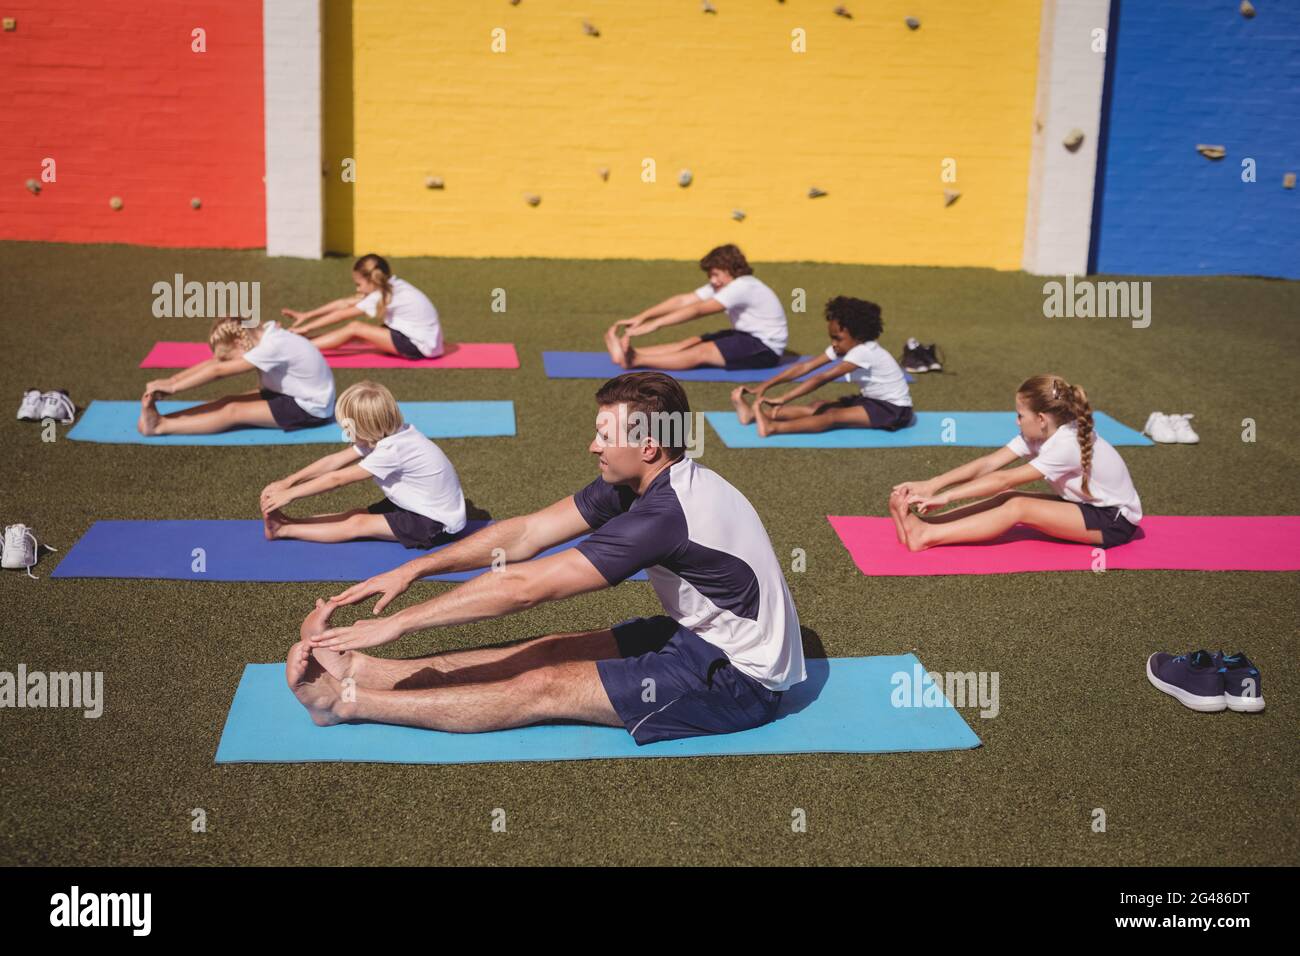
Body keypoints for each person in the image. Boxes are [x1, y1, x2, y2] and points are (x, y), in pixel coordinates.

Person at [287, 372, 806, 744]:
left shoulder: (665, 514)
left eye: (605, 436)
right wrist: (414, 567)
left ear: (648, 446)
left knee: (544, 686)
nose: (592, 445)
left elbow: (526, 586)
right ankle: (361, 668)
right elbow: (528, 533)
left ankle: (343, 702)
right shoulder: (642, 483)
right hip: (699, 635)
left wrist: (399, 623)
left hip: (740, 682)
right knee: (549, 648)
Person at [888, 374, 1142, 551]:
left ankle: (927, 536)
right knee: (1007, 498)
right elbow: (989, 464)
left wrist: (947, 497)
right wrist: (933, 485)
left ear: (1041, 418)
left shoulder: (1066, 444)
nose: (1017, 421)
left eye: (1020, 415)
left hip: (1113, 522)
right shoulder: (1041, 432)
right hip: (1087, 507)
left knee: (1019, 506)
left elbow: (1003, 478)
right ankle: (929, 526)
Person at [262, 381, 467, 547]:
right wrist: (288, 482)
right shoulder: (387, 433)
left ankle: (283, 529)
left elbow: (337, 479)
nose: (345, 434)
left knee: (357, 523)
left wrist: (289, 494)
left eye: (347, 428)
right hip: (418, 504)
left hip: (435, 523)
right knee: (355, 514)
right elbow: (334, 461)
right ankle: (287, 522)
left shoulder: (392, 450)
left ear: (364, 427)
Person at [731, 296, 914, 436]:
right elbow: (805, 367)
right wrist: (765, 385)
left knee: (832, 416)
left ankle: (774, 427)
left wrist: (784, 397)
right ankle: (753, 416)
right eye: (832, 337)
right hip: (871, 400)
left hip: (894, 410)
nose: (834, 343)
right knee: (817, 406)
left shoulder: (864, 352)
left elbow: (822, 378)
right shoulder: (846, 347)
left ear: (858, 335)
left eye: (838, 338)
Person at [138, 317, 334, 435]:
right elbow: (217, 363)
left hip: (310, 408)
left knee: (233, 411)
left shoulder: (272, 346)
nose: (226, 361)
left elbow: (219, 371)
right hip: (289, 393)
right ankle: (163, 418)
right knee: (228, 400)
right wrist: (172, 380)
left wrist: (173, 388)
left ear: (240, 343)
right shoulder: (262, 332)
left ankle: (161, 426)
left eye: (229, 357)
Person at [604, 244, 787, 371]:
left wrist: (656, 324)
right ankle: (626, 353)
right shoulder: (724, 284)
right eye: (710, 275)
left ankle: (635, 360)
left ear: (731, 269)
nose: (712, 280)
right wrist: (643, 316)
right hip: (746, 336)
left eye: (715, 274)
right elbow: (684, 301)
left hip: (766, 349)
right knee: (689, 343)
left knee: (701, 352)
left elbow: (698, 310)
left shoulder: (743, 286)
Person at [281, 253, 444, 359]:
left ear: (371, 280)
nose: (357, 289)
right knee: (355, 332)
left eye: (358, 284)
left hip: (418, 346)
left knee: (355, 328)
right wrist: (307, 316)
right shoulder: (391, 285)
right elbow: (343, 303)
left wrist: (307, 327)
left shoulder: (382, 295)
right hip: (423, 342)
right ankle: (302, 341)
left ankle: (301, 348)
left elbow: (341, 314)